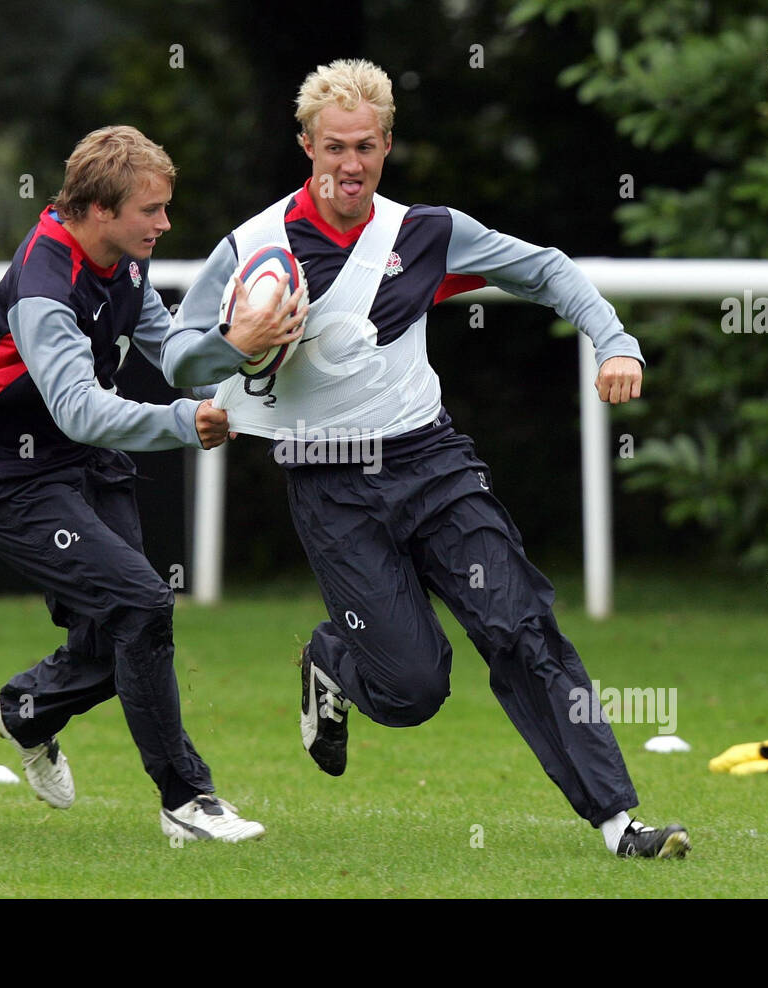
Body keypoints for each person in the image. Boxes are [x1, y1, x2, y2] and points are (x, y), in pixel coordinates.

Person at [163, 61, 689, 858]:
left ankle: (621, 824)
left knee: (521, 628)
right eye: (334, 146)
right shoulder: (254, 247)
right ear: (305, 145)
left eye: (365, 147)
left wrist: (615, 340)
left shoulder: (426, 233)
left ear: (387, 145)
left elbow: (545, 268)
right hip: (329, 485)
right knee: (412, 691)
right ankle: (335, 658)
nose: (350, 164)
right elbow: (177, 362)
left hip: (432, 465)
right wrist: (236, 344)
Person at [0, 125, 264, 843]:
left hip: (86, 467)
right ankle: (187, 798)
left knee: (114, 629)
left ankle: (29, 710)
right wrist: (187, 423)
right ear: (97, 209)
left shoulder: (122, 261)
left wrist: (245, 362)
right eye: (151, 210)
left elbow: (172, 351)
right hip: (12, 481)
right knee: (143, 603)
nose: (165, 222)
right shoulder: (44, 285)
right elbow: (80, 407)